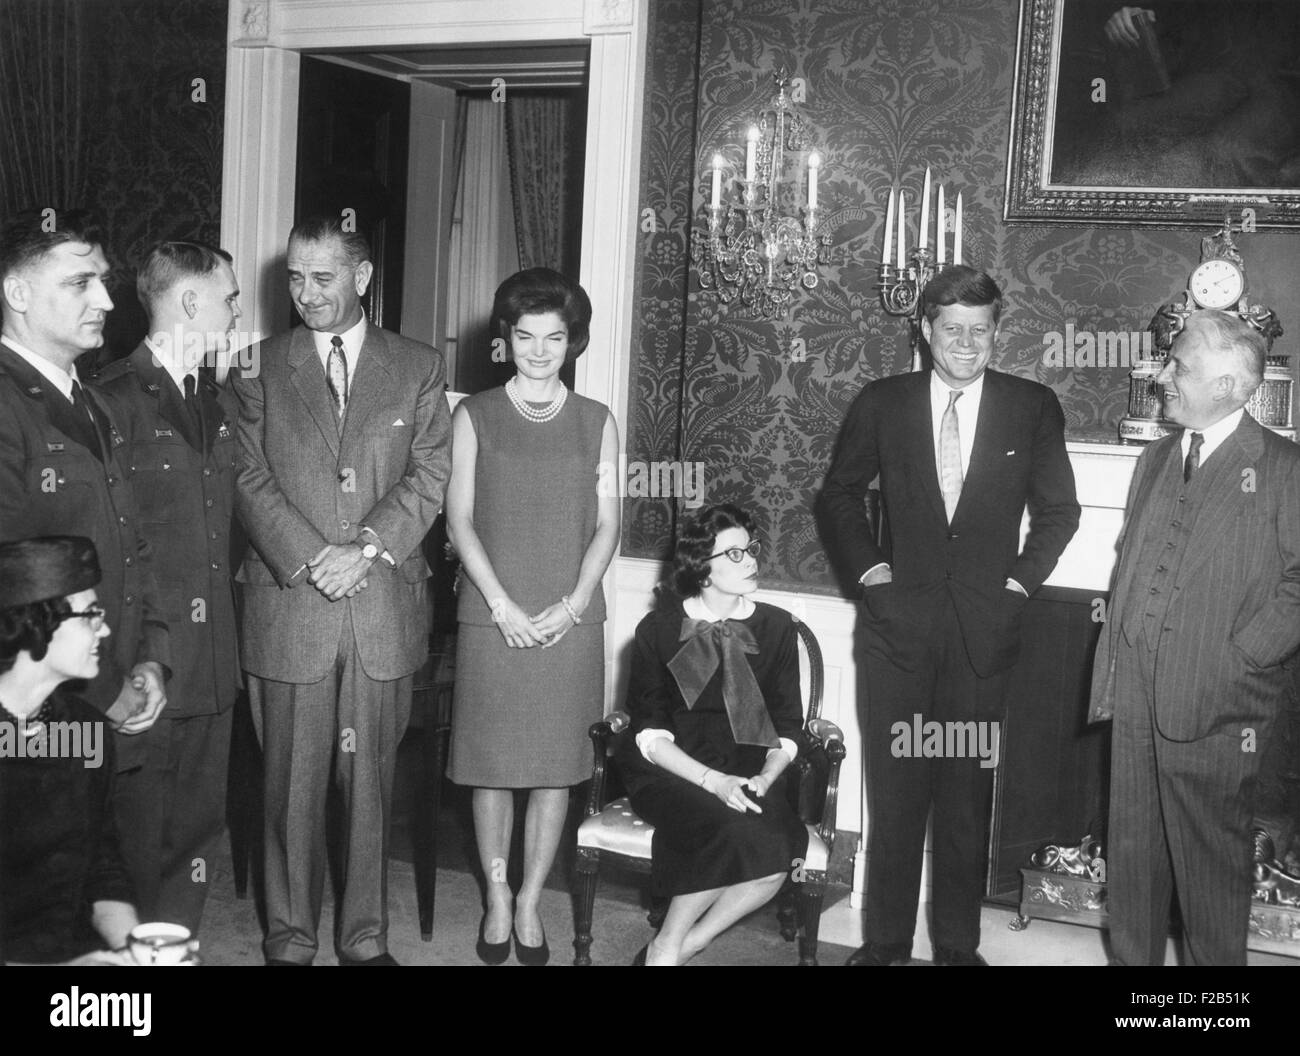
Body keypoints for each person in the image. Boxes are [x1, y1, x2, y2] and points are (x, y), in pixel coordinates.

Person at [817, 265, 1080, 965]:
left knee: (964, 806)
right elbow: (838, 496)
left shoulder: (1031, 406)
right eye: (952, 328)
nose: (967, 342)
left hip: (981, 641)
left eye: (981, 330)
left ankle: (959, 951)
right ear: (925, 329)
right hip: (897, 635)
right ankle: (884, 948)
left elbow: (1060, 512)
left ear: (997, 332)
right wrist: (874, 575)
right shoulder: (883, 402)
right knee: (898, 801)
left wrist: (1018, 587)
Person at [232, 214, 452, 966]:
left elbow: (431, 475)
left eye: (322, 278)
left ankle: (364, 940)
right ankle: (288, 939)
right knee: (288, 789)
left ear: (360, 277)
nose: (305, 293)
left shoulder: (419, 366)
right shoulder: (256, 367)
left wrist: (363, 547)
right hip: (289, 605)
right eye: (294, 277)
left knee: (371, 791)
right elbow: (246, 477)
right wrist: (309, 556)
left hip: (381, 607)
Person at [1088, 309, 1300, 965]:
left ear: (1232, 385)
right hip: (1135, 704)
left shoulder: (1283, 467)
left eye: (1179, 366)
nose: (1162, 377)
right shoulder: (1156, 456)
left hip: (1218, 712)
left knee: (1210, 888)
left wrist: (1241, 662)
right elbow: (1134, 560)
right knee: (1132, 878)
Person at [446, 267, 620, 966]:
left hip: (571, 619)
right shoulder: (474, 415)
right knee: (491, 768)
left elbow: (609, 525)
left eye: (554, 337)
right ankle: (494, 896)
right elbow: (458, 520)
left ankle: (528, 900)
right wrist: (501, 605)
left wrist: (575, 604)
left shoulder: (597, 420)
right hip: (494, 617)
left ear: (571, 341)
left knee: (554, 770)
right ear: (505, 338)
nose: (540, 351)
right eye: (525, 336)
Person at [91, 241, 243, 933]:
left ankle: (173, 953)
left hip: (211, 661)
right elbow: (108, 549)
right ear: (191, 303)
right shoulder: (112, 399)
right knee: (135, 839)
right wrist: (123, 668)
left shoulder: (214, 401)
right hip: (148, 662)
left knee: (196, 834)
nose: (238, 312)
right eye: (229, 298)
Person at [0, 211, 170, 757]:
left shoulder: (97, 403)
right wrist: (102, 689)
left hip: (118, 690)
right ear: (17, 293)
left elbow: (134, 542)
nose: (106, 301)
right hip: (45, 719)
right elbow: (11, 578)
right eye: (80, 283)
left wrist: (150, 657)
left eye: (102, 281)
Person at [616, 504, 806, 966]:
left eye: (751, 549)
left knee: (779, 850)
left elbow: (787, 726)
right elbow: (650, 735)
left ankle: (685, 943)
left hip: (750, 769)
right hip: (672, 772)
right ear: (702, 570)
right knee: (732, 829)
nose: (753, 561)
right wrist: (712, 782)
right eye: (735, 554)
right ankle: (667, 945)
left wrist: (764, 776)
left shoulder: (777, 627)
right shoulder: (658, 630)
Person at [0, 536, 139, 965]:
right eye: (91, 616)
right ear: (36, 623)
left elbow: (103, 865)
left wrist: (138, 948)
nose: (106, 628)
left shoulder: (86, 729)